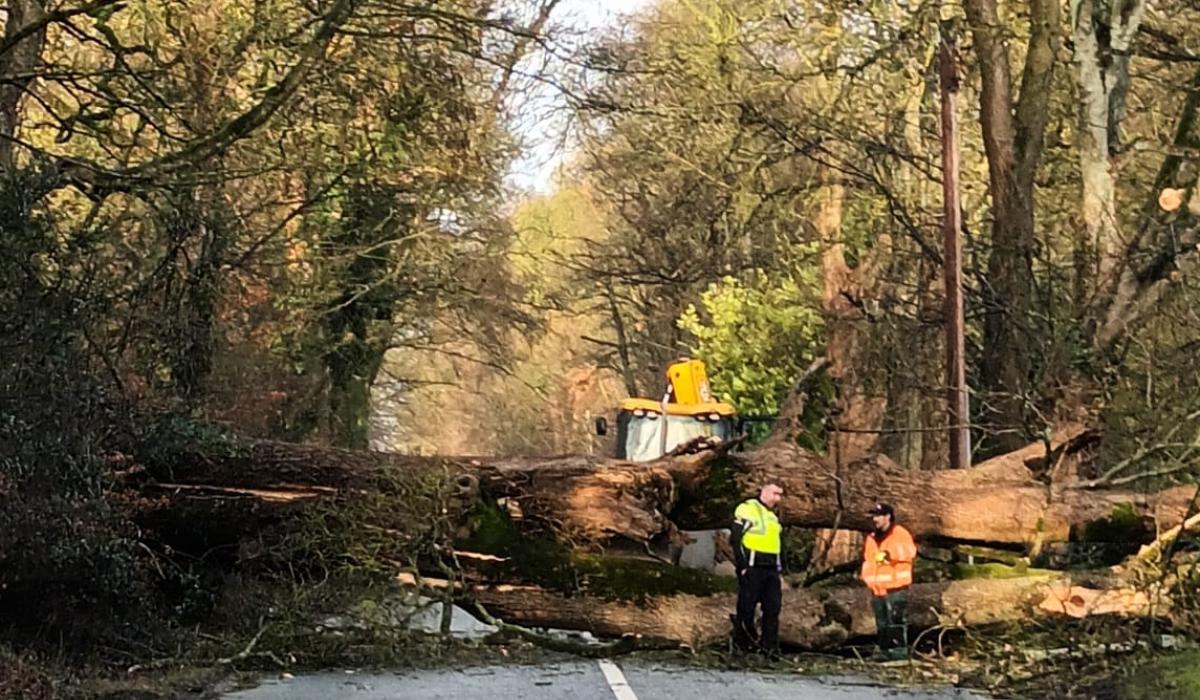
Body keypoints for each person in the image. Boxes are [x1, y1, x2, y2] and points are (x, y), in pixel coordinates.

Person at [730, 483, 784, 657]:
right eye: (775, 494)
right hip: (753, 566)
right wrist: (742, 566)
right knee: (747, 607)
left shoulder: (772, 516)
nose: (778, 499)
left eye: (780, 495)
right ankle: (742, 646)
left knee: (773, 608)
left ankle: (770, 648)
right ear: (763, 490)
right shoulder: (748, 509)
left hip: (771, 569)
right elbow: (736, 539)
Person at [860, 503, 916, 660]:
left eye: (878, 516)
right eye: (874, 516)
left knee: (896, 620)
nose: (875, 519)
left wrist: (888, 554)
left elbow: (909, 551)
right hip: (877, 587)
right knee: (882, 622)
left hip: (896, 585)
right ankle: (884, 652)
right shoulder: (872, 537)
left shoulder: (900, 533)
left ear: (888, 517)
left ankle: (898, 653)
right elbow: (869, 560)